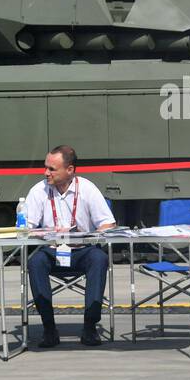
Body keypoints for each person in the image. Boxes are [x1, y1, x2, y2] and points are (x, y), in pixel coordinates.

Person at [24, 145, 116, 348]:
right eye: (46, 167)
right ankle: (49, 328)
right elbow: (25, 227)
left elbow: (108, 224)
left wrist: (90, 235)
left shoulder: (88, 188)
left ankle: (90, 326)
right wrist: (42, 233)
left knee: (99, 259)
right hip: (52, 250)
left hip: (83, 250)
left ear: (70, 170)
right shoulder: (39, 190)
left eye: (52, 169)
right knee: (35, 262)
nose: (45, 172)